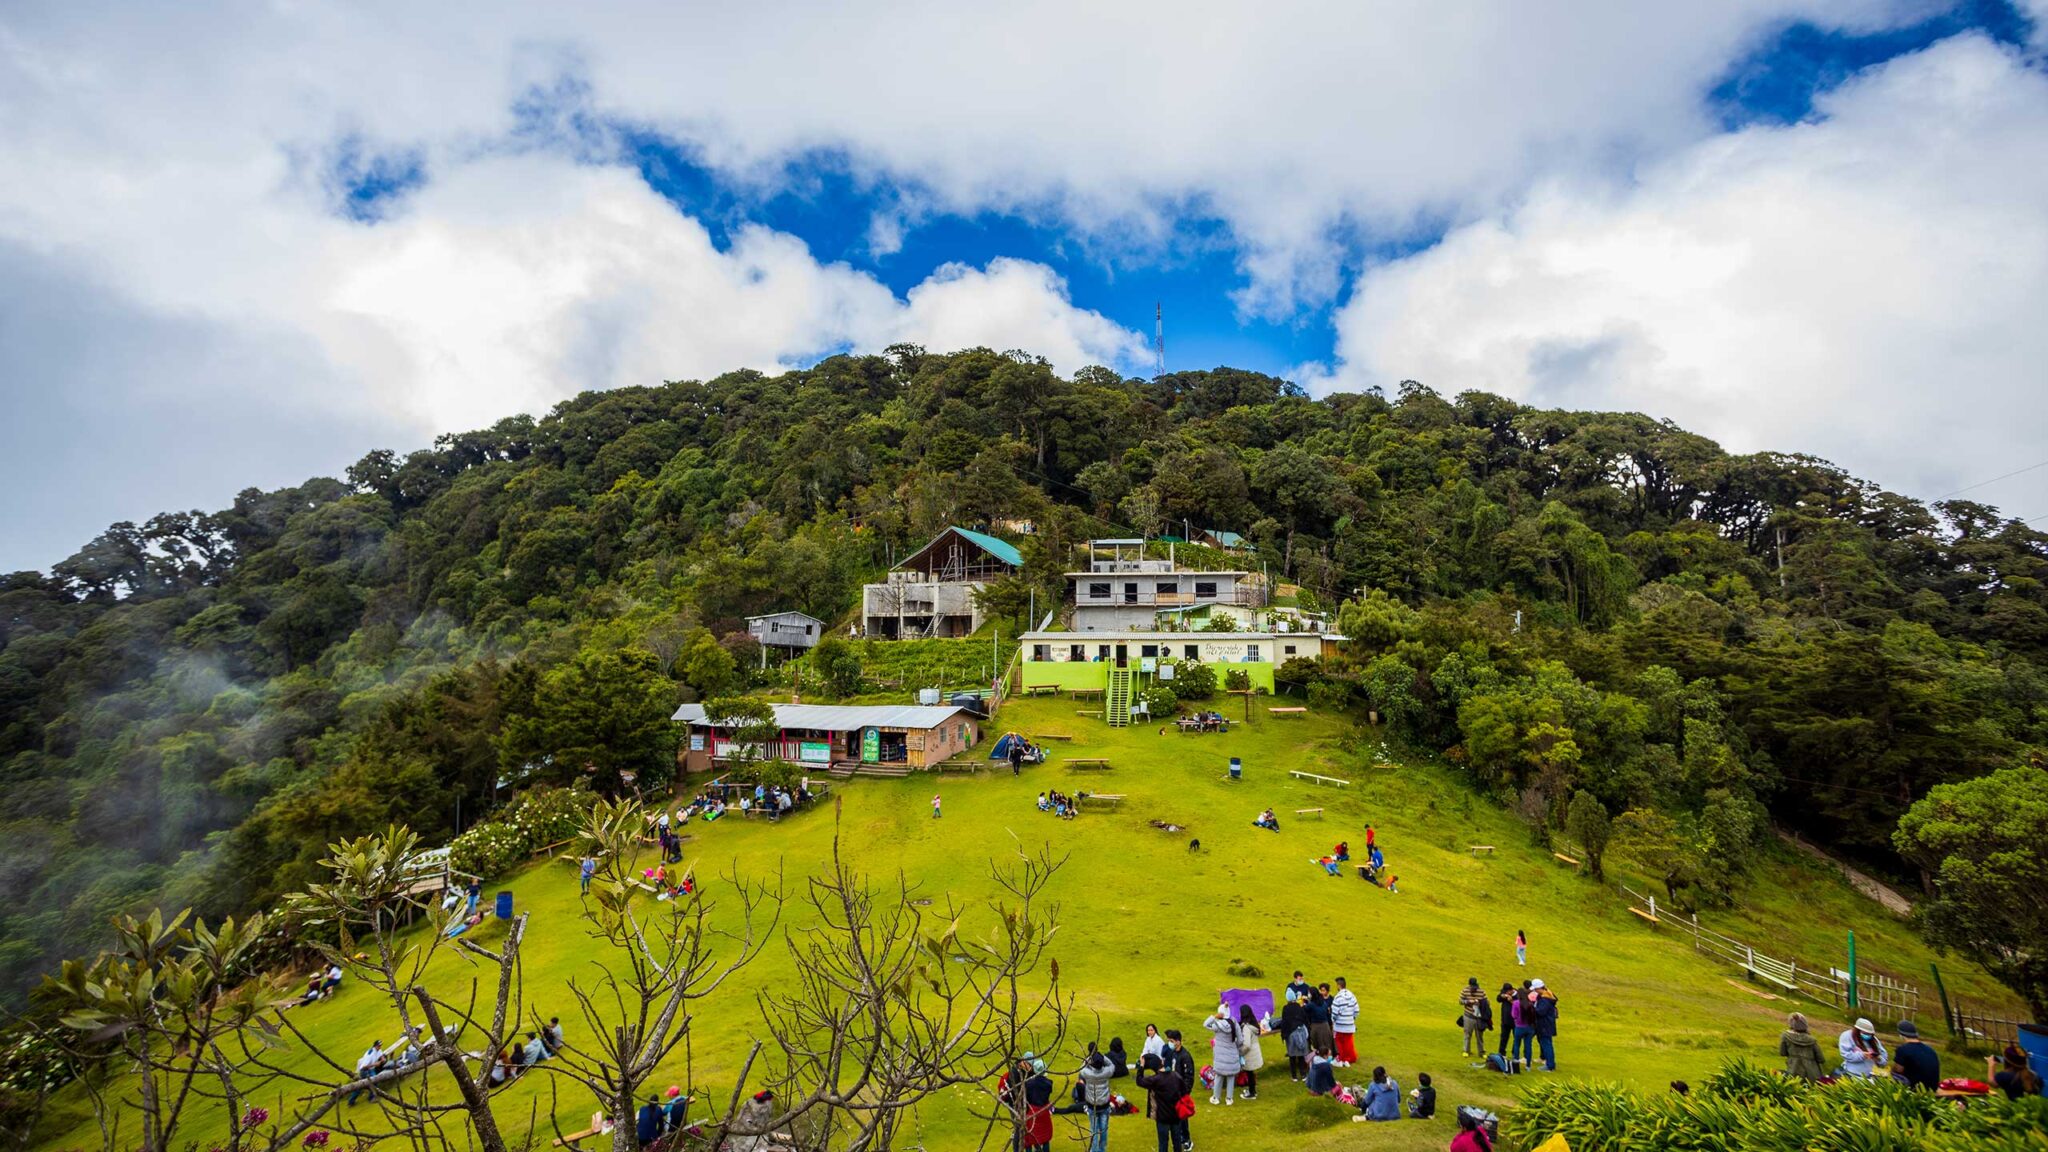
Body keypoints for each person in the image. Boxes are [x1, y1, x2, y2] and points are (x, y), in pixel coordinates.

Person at [1135, 1054, 1184, 1152]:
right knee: (1177, 1142)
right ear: (1161, 1063)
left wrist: (1141, 1067)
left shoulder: (1156, 1080)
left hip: (1162, 1117)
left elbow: (1139, 1081)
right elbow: (1184, 1090)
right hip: (1176, 1115)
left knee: (1163, 1144)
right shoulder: (1176, 1076)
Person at [1077, 1046, 1116, 1152]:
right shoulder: (1107, 1072)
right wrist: (1102, 1057)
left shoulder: (1088, 1074)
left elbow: (1081, 1067)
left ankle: (1094, 1150)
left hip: (1092, 1106)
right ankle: (1102, 1149)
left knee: (1094, 1131)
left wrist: (1089, 1057)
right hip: (1104, 1106)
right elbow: (1111, 1064)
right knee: (1103, 1130)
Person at [1161, 1030, 1195, 1151]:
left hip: (1181, 1093)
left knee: (1182, 1117)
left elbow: (1189, 1077)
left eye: (1171, 1041)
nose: (1169, 1043)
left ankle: (1186, 1139)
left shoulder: (1185, 1056)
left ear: (1178, 1041)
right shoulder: (1172, 1053)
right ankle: (1178, 1138)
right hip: (1172, 1091)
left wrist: (1184, 1093)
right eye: (1168, 1041)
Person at [1204, 1005, 1241, 1106]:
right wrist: (1235, 1047)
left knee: (1219, 1076)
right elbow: (1240, 1040)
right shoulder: (1234, 1022)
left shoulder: (1217, 1025)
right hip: (1232, 1054)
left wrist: (1214, 1017)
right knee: (1231, 1076)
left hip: (1220, 1056)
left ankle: (1216, 1097)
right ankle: (1229, 1099)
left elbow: (1205, 1024)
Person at [1891, 1021, 1939, 1090]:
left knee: (1892, 1076)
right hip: (1932, 1088)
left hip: (1915, 1088)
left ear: (1901, 1035)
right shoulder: (1930, 1050)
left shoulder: (1903, 1049)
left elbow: (1898, 1070)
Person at [1778, 1013, 1824, 1082]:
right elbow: (1821, 1059)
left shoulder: (1786, 1037)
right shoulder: (1812, 1040)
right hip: (1812, 1075)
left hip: (1793, 1072)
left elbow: (1782, 1053)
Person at [1022, 1057, 1055, 1152]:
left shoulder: (1029, 1084)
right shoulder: (1048, 1084)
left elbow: (1027, 1097)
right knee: (1045, 1137)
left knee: (1029, 1138)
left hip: (1032, 1112)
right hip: (1044, 1111)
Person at [1235, 1003, 1265, 1100]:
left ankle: (1252, 1093)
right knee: (1251, 1073)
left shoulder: (1246, 1028)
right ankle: (1252, 1090)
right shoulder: (1253, 1024)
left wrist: (1240, 1052)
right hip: (1255, 1052)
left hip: (1250, 1054)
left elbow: (1247, 1045)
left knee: (1250, 1073)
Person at [1528, 980, 1559, 1071]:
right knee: (1547, 1044)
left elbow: (1540, 1012)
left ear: (1539, 988)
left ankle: (1550, 1065)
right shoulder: (1546, 996)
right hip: (1546, 1024)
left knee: (1546, 1044)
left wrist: (1532, 1008)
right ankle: (1550, 1064)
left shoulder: (1545, 999)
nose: (1535, 991)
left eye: (1536, 989)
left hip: (1544, 1024)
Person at [1279, 993, 1309, 1081]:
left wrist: (1283, 1035)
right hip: (1300, 1032)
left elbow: (1284, 1022)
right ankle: (1303, 1074)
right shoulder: (1299, 1007)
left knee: (1292, 1055)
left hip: (1290, 1033)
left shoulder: (1286, 1008)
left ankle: (1294, 1076)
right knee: (1301, 1055)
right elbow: (1305, 1019)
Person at [1330, 977, 1360, 1066]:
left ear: (1338, 985)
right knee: (1348, 1042)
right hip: (1349, 1024)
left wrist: (1333, 1020)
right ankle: (1349, 1059)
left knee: (1339, 1042)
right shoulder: (1352, 996)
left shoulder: (1338, 997)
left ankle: (1341, 1059)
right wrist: (1352, 1019)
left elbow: (1334, 1012)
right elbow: (1357, 1010)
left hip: (1339, 1025)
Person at [345, 1040, 385, 1105]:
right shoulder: (370, 1054)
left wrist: (382, 1058)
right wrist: (375, 1064)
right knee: (375, 1081)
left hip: (371, 1069)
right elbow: (364, 1066)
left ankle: (351, 1101)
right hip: (365, 1071)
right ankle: (371, 1098)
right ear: (375, 1046)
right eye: (379, 1046)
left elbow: (381, 1054)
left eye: (380, 1046)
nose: (380, 1047)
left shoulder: (378, 1050)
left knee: (361, 1086)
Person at [1460, 977, 1492, 1057]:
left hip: (1479, 1017)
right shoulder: (1465, 990)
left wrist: (1480, 1003)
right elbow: (1460, 1001)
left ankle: (1481, 1052)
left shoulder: (1481, 992)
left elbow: (1487, 1003)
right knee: (1467, 1034)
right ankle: (1466, 1051)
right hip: (1468, 1015)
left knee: (1479, 1036)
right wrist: (1468, 1001)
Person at [1507, 984, 1533, 1070]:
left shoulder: (1516, 1003)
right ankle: (1528, 1065)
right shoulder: (1530, 1003)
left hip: (1519, 1026)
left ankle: (1516, 1062)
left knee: (1517, 1044)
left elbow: (1513, 1015)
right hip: (1529, 1027)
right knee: (1528, 1045)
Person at [1306, 986, 1335, 1057]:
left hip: (1316, 1026)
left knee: (1317, 1044)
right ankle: (1329, 1058)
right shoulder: (1323, 1003)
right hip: (1325, 1026)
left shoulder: (1311, 1005)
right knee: (1326, 1043)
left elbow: (1304, 1010)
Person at [1494, 982, 1518, 1059]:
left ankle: (1515, 1053)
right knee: (1504, 1037)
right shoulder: (1504, 993)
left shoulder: (1518, 996)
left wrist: (1511, 1001)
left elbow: (1519, 1006)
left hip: (1515, 1021)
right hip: (1505, 1020)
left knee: (1516, 1038)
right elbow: (1498, 999)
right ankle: (1501, 1053)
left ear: (1511, 990)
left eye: (1507, 992)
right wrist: (1502, 996)